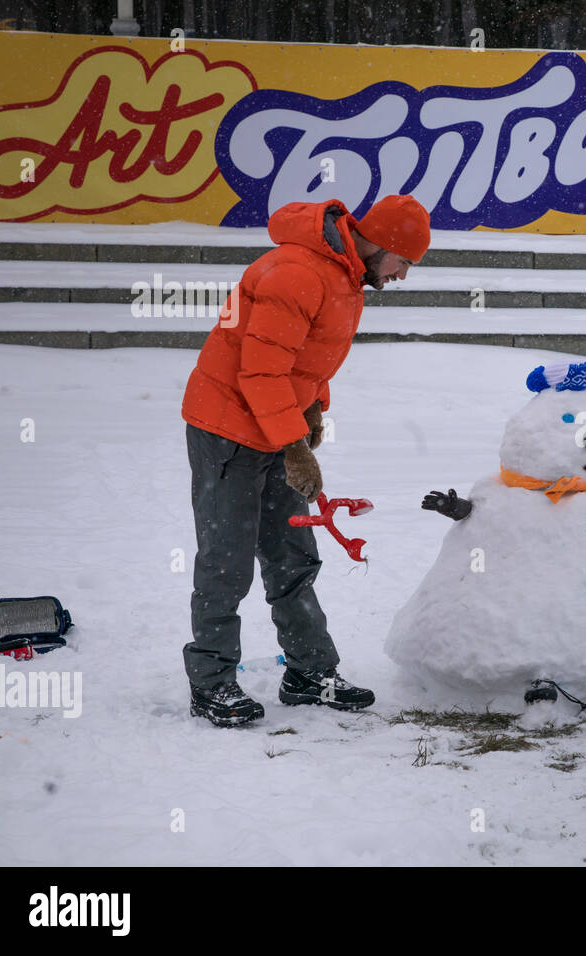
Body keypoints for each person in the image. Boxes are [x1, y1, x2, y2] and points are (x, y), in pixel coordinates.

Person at [181, 194, 431, 727]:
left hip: (276, 423)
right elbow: (261, 372)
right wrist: (295, 447)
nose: (404, 276)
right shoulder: (295, 271)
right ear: (382, 246)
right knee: (226, 562)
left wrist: (315, 407)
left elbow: (310, 357)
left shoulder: (346, 276)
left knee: (292, 554)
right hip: (226, 427)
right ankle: (212, 683)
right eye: (405, 263)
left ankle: (309, 672)